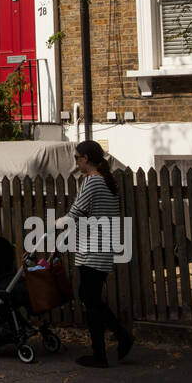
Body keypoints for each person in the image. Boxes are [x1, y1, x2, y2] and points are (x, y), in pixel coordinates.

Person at [67, 140, 133, 368]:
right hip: (103, 246)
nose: (75, 162)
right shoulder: (106, 180)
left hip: (93, 248)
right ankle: (121, 336)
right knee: (88, 296)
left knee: (90, 300)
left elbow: (76, 212)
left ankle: (100, 355)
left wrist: (56, 224)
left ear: (86, 158)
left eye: (77, 158)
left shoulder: (92, 182)